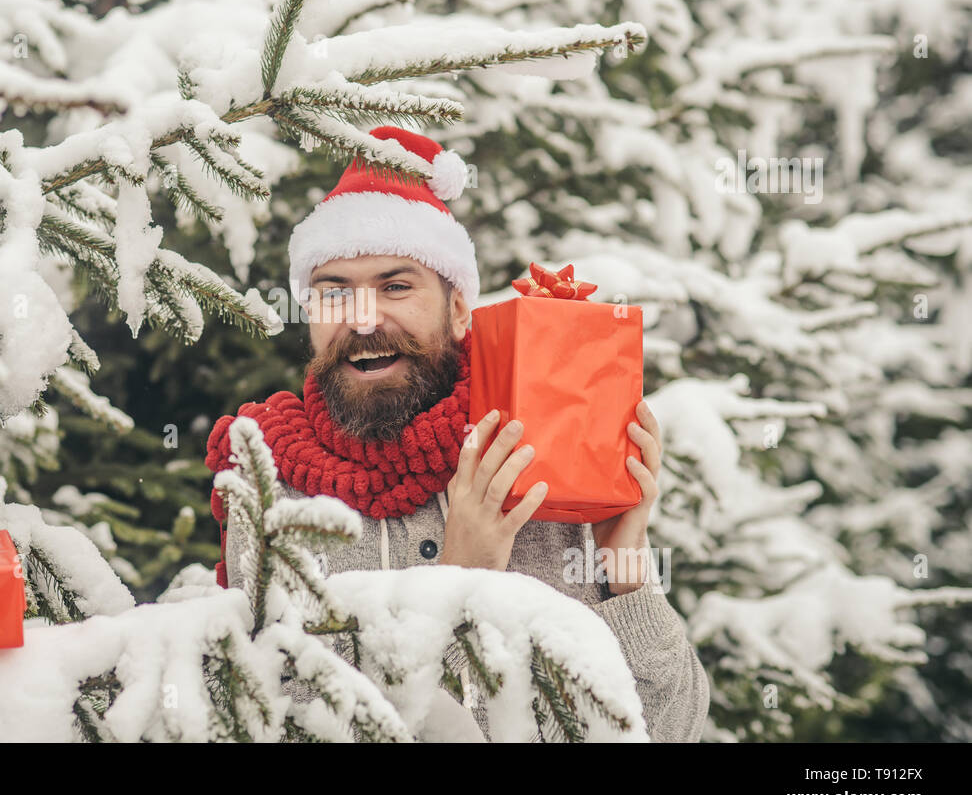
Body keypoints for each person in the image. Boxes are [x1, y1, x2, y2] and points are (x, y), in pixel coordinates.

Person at [204, 125, 709, 742]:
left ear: (459, 308)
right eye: (334, 292)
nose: (362, 320)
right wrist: (461, 576)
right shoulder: (268, 481)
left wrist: (625, 558)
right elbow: (272, 726)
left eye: (396, 286)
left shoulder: (538, 454)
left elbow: (666, 731)